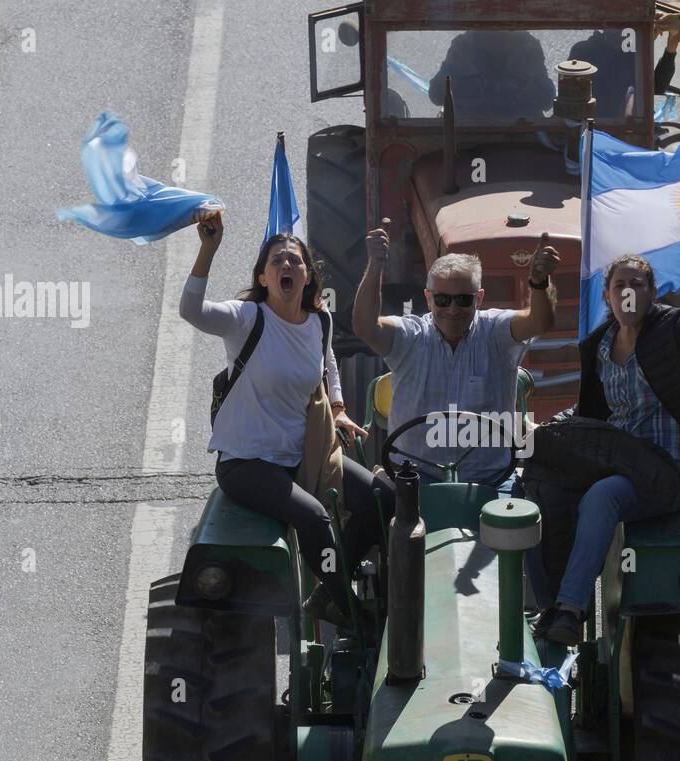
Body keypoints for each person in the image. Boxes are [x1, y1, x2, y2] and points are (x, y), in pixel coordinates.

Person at [181, 208, 393, 627]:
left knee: (382, 498)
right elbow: (191, 310)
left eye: (295, 259)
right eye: (276, 260)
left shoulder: (320, 322)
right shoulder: (246, 319)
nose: (286, 264)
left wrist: (338, 407)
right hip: (248, 462)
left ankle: (328, 593)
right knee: (313, 517)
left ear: (308, 276)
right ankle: (347, 608)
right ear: (263, 277)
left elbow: (326, 361)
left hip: (303, 454)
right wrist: (208, 250)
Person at [538, 232, 680, 645]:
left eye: (638, 284)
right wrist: (542, 430)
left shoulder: (670, 329)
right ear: (608, 296)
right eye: (620, 285)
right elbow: (593, 415)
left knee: (602, 496)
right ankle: (547, 605)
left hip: (671, 470)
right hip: (627, 465)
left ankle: (570, 611)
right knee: (542, 488)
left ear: (651, 294)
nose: (628, 291)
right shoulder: (599, 346)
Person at [353, 222, 560, 492]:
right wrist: (376, 265)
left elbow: (539, 321)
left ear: (479, 298)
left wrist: (539, 282)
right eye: (442, 300)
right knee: (381, 526)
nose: (453, 309)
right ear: (428, 299)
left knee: (518, 529)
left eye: (463, 300)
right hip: (414, 477)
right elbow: (364, 326)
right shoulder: (410, 336)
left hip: (489, 479)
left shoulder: (496, 332)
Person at [567, 13, 680, 118]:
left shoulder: (632, 51)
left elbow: (657, 88)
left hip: (633, 129)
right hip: (592, 128)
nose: (623, 30)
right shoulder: (584, 50)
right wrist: (643, 43)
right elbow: (609, 88)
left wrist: (672, 45)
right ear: (605, 24)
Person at [428, 30, 556, 121]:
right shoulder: (464, 45)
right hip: (467, 136)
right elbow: (436, 94)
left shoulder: (527, 45)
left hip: (522, 135)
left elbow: (547, 99)